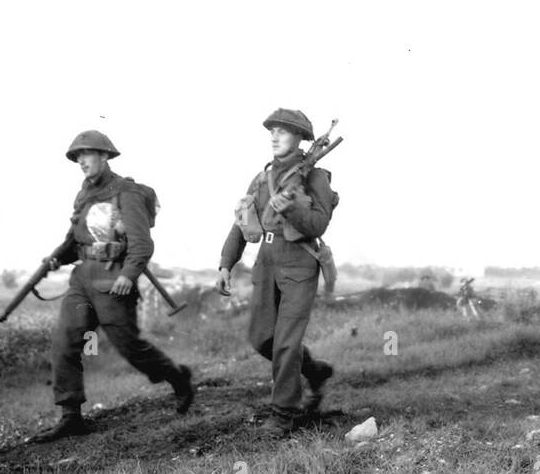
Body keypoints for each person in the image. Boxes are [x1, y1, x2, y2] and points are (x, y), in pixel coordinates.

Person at [25, 130, 194, 444]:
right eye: (77, 156)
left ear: (105, 156)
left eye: (87, 154)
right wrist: (56, 259)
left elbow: (142, 244)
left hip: (113, 278)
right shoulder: (84, 194)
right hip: (82, 279)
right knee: (65, 341)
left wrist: (128, 275)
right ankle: (70, 416)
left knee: (129, 346)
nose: (81, 161)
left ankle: (177, 377)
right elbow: (75, 240)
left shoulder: (126, 192)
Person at [217, 109, 337, 438]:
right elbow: (242, 221)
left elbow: (318, 224)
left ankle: (284, 412)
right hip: (266, 260)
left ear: (299, 138)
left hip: (299, 261)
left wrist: (293, 208)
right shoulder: (263, 177)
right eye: (272, 131)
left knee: (286, 342)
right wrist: (227, 263)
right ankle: (313, 371)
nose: (274, 137)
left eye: (283, 132)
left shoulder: (315, 177)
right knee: (261, 337)